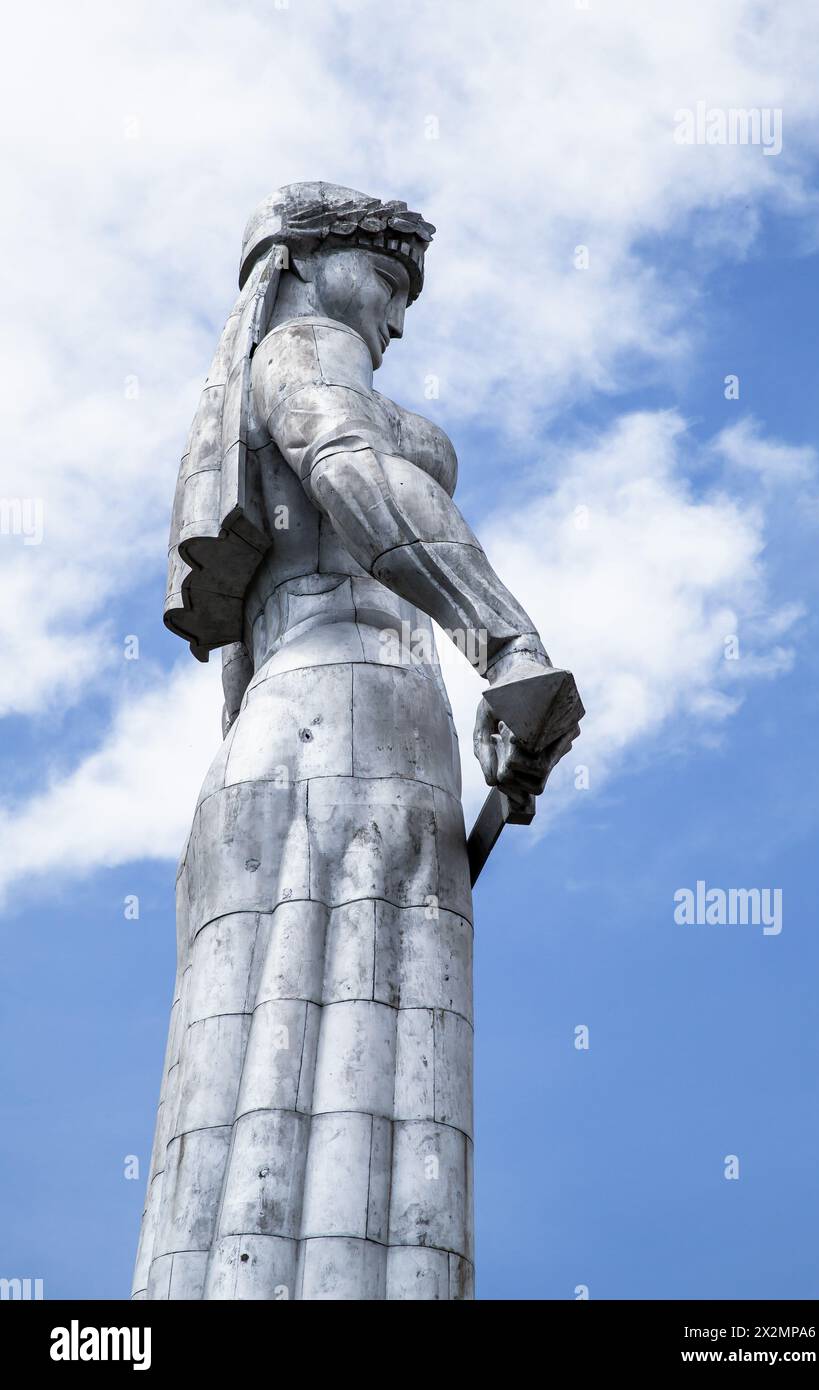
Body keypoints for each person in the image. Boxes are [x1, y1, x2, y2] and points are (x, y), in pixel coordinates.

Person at [133, 183, 580, 1300]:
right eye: (386, 281)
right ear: (305, 259)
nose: (395, 318)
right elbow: (351, 466)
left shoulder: (297, 357)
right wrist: (509, 643)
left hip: (341, 731)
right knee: (307, 1078)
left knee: (336, 1078)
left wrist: (499, 736)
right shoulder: (301, 350)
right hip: (341, 722)